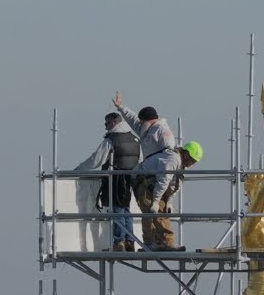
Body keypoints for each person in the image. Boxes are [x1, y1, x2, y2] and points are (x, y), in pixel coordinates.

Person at [114, 92, 184, 251]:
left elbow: (165, 173)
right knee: (147, 211)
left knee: (158, 209)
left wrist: (162, 198)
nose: (139, 123)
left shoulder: (163, 132)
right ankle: (150, 242)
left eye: (142, 121)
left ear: (148, 120)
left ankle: (165, 242)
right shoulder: (146, 129)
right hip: (145, 177)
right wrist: (121, 108)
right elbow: (132, 120)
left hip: (156, 177)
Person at [75, 112, 141, 252]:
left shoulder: (111, 139)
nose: (105, 128)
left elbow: (96, 160)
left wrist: (77, 170)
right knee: (126, 209)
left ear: (113, 122)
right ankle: (130, 241)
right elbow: (140, 161)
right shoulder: (135, 139)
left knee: (116, 209)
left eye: (106, 124)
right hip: (130, 179)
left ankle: (119, 242)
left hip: (115, 178)